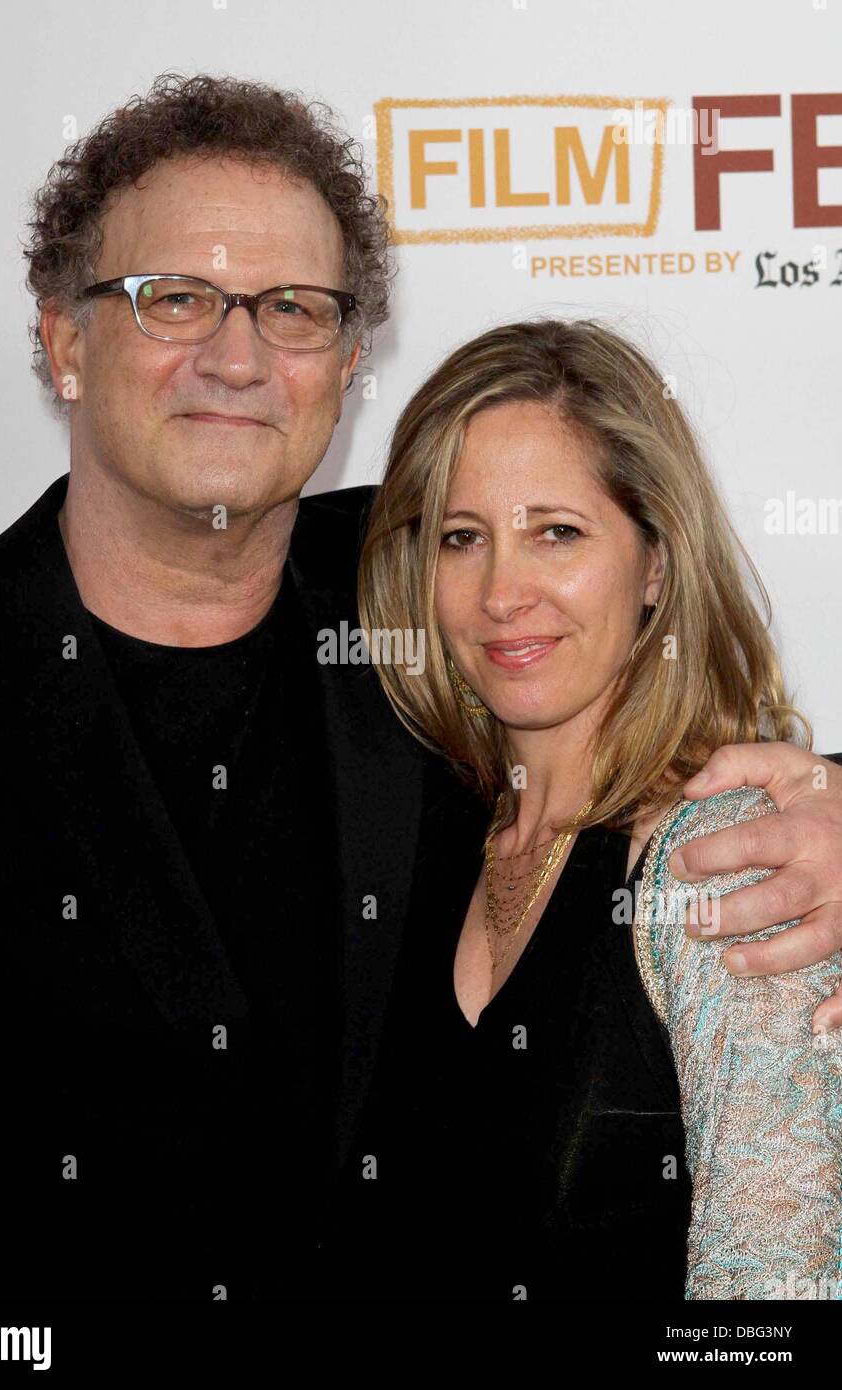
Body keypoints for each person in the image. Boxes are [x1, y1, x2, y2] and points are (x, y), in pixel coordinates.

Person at [0, 75, 841, 1304]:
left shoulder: (423, 610)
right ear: (65, 340)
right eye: (175, 297)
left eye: (292, 308)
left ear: (349, 359)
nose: (236, 355)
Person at [320, 318, 842, 1301]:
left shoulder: (728, 863)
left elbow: (778, 1296)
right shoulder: (418, 844)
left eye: (555, 532)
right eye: (460, 538)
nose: (503, 591)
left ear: (654, 563)